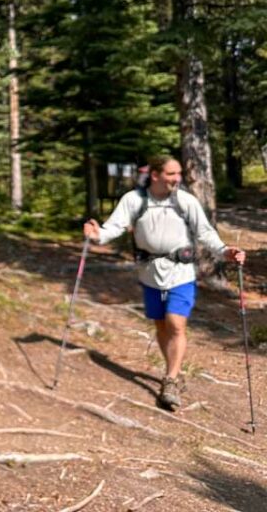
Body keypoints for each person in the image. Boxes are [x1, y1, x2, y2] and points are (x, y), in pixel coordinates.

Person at [83, 156, 246, 410]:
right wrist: (97, 235)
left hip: (181, 273)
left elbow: (204, 232)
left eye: (178, 174)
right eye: (171, 174)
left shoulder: (185, 201)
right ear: (156, 175)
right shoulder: (134, 200)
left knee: (175, 324)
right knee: (161, 325)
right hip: (150, 274)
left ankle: (170, 379)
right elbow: (113, 227)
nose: (177, 178)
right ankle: (173, 369)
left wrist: (225, 251)